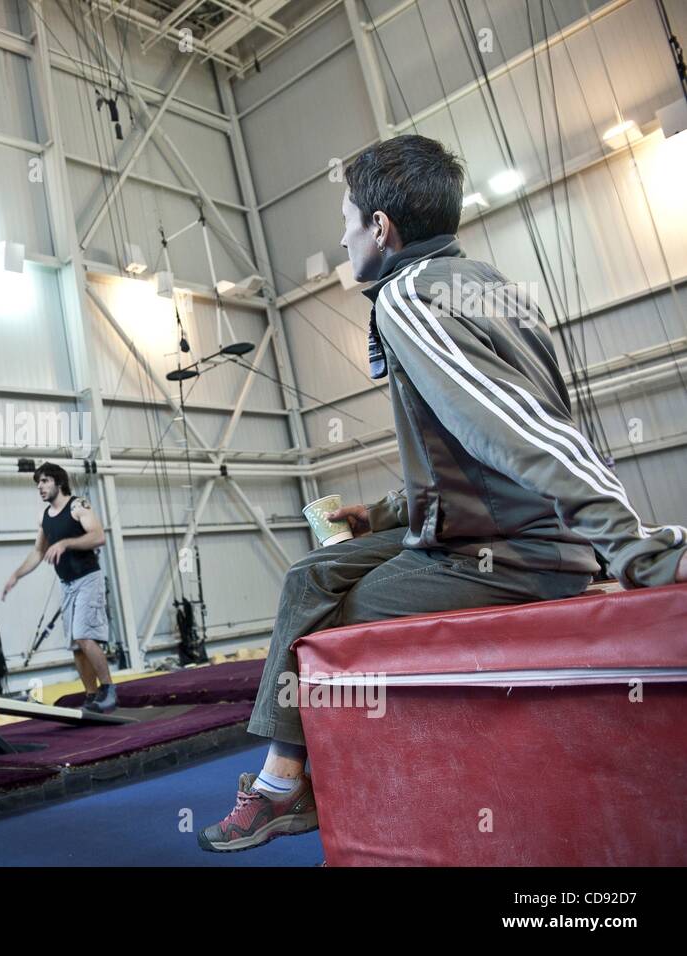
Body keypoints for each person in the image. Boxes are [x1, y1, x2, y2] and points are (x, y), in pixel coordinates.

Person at [197, 134, 687, 853]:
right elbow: (468, 446)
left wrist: (633, 547)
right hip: (488, 529)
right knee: (311, 574)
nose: (341, 238)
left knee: (318, 631)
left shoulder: (404, 299)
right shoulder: (483, 284)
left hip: (511, 554)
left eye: (345, 221)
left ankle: (282, 787)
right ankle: (281, 783)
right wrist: (387, 512)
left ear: (381, 229)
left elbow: (516, 429)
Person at [2, 463, 118, 713]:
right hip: (67, 585)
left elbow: (99, 536)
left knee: (84, 635)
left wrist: (65, 543)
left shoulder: (79, 505)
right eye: (38, 484)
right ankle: (91, 694)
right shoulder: (44, 517)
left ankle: (109, 690)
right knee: (75, 644)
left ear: (58, 482)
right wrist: (16, 575)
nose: (40, 487)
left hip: (88, 578)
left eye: (44, 481)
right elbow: (38, 552)